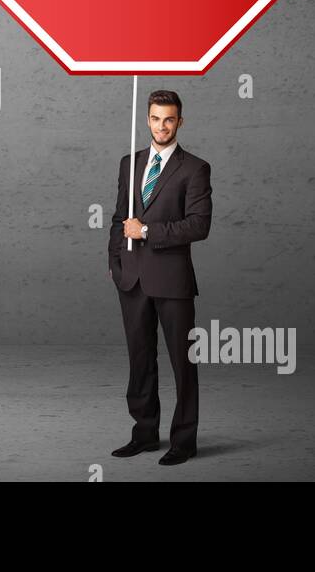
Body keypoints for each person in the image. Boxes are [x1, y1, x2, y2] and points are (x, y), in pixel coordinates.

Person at [107, 89, 212, 465]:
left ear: (179, 122)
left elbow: (199, 226)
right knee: (140, 360)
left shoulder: (195, 169)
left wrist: (148, 232)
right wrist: (116, 264)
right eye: (155, 118)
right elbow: (119, 218)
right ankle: (145, 433)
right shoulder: (129, 163)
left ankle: (184, 440)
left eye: (169, 119)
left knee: (183, 363)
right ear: (147, 119)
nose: (161, 126)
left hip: (172, 281)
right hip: (132, 280)